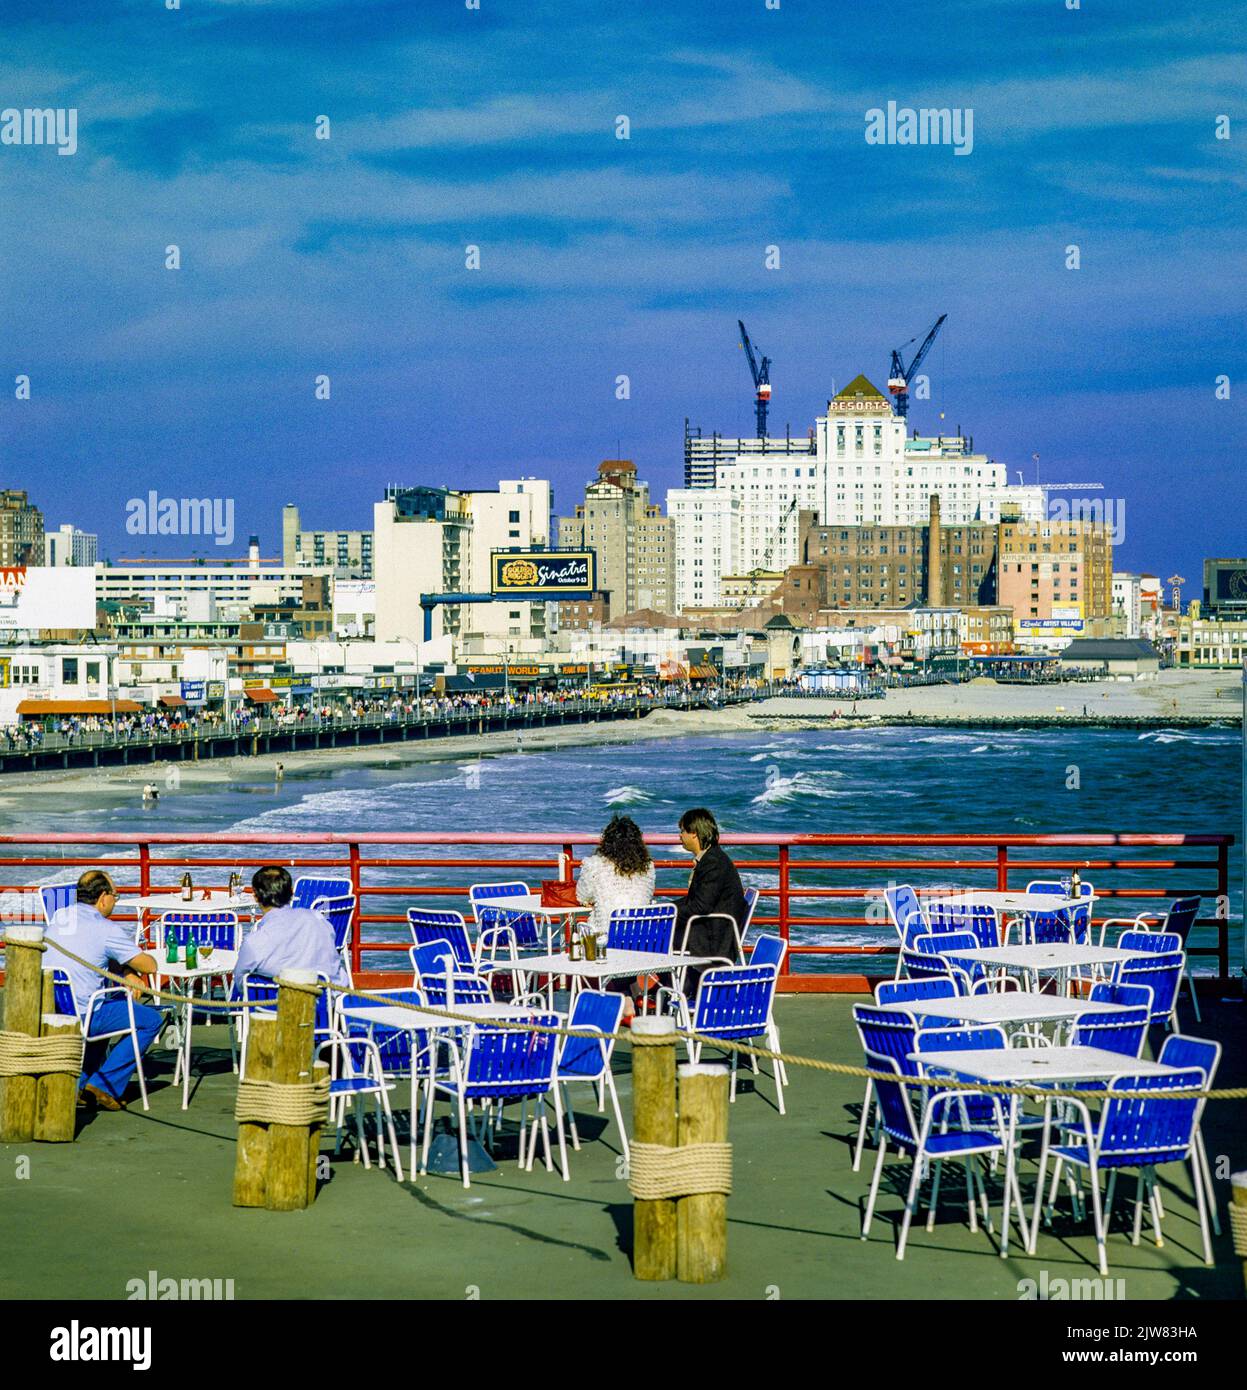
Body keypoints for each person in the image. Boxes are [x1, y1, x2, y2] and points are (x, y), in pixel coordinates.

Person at [44, 870, 163, 1111]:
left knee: (112, 1003)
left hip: (54, 1006)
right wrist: (133, 970)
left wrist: (127, 972)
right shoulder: (105, 928)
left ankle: (81, 1084)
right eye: (115, 896)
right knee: (151, 1020)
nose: (115, 902)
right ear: (103, 897)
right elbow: (149, 965)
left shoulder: (60, 916)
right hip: (86, 1013)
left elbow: (89, 953)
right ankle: (104, 1085)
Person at [576, 815, 656, 1020]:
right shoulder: (647, 866)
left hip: (605, 941)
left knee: (588, 933)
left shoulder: (594, 865)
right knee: (624, 941)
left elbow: (582, 896)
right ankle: (636, 992)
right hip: (643, 939)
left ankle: (626, 1001)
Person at [232, 865, 350, 990]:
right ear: (292, 892)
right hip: (323, 1003)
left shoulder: (253, 942)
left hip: (272, 1007)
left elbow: (241, 983)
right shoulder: (318, 919)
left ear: (255, 896)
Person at [674, 807, 746, 996]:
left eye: (682, 831)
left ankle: (676, 993)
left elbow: (700, 906)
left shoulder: (713, 863)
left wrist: (668, 916)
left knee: (658, 939)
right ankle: (681, 990)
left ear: (694, 834)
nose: (679, 836)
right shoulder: (712, 858)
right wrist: (667, 909)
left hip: (713, 938)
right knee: (660, 933)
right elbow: (695, 901)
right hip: (712, 930)